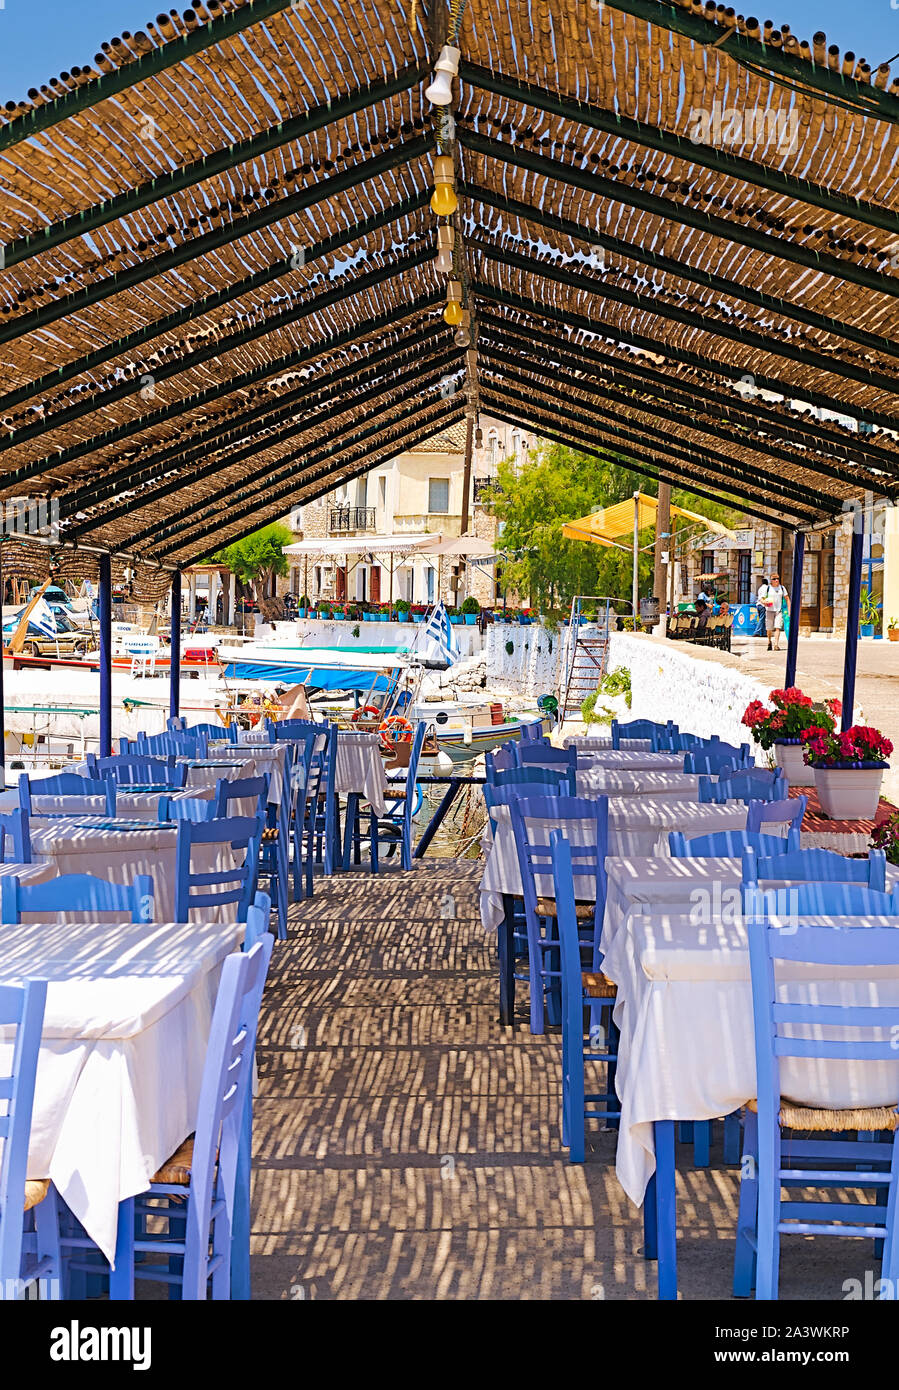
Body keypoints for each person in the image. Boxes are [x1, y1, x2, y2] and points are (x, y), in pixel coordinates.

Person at [764, 572, 789, 651]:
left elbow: (787, 599)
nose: (776, 580)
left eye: (777, 578)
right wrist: (764, 602)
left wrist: (789, 609)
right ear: (771, 580)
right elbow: (762, 598)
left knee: (777, 627)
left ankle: (776, 645)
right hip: (769, 610)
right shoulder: (768, 588)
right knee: (769, 629)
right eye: (774, 579)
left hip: (779, 610)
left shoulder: (782, 588)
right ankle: (769, 641)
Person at [755, 576, 770, 645]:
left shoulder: (760, 588)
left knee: (763, 619)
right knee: (762, 618)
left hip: (758, 604)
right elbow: (764, 597)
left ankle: (764, 633)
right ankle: (757, 632)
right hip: (763, 604)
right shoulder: (766, 588)